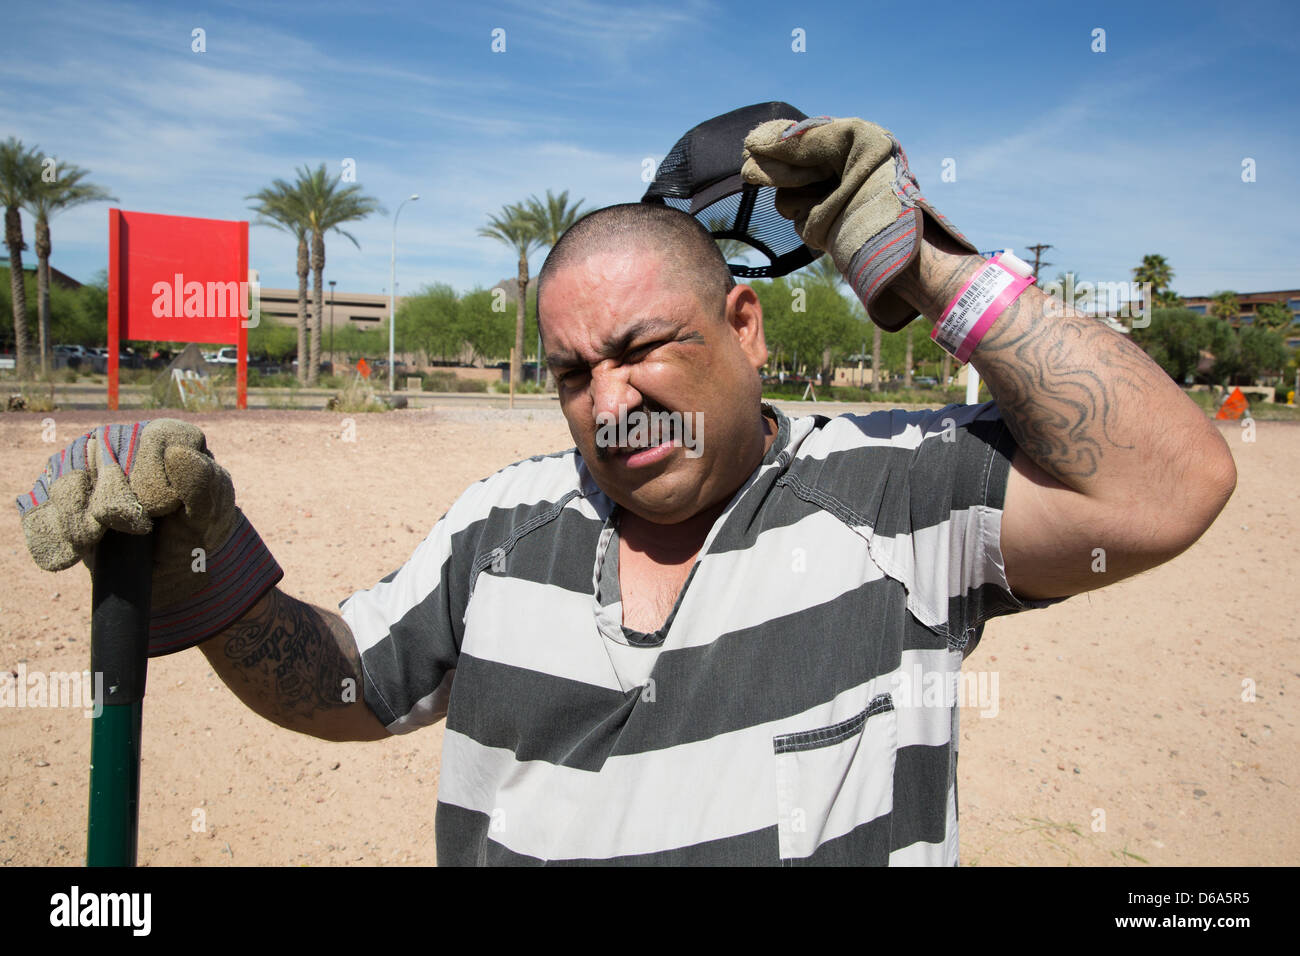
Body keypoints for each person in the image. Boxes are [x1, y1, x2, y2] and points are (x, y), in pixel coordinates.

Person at [18, 115, 1236, 866]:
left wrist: (925, 263)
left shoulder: (896, 497)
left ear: (744, 323)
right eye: (571, 372)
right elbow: (345, 683)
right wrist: (205, 554)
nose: (609, 404)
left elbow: (1163, 484)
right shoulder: (503, 524)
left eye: (642, 347)